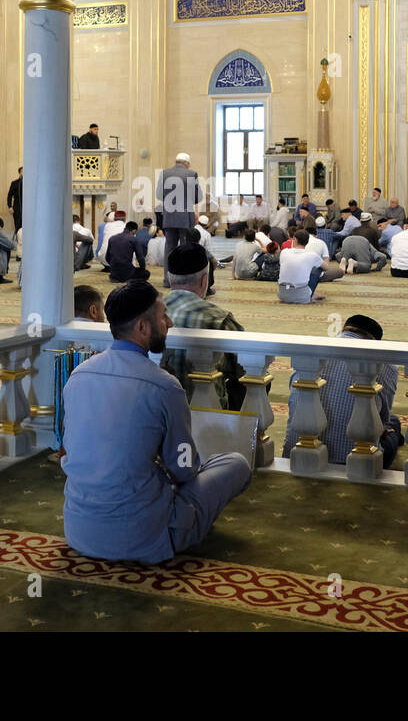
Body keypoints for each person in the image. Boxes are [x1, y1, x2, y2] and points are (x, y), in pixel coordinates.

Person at [60, 280, 252, 564]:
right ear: (142, 327)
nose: (170, 321)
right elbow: (184, 469)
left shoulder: (79, 375)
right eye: (163, 315)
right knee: (236, 463)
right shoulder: (164, 386)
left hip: (79, 531)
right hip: (146, 538)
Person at [281, 315, 403, 467]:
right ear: (374, 342)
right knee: (393, 423)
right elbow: (382, 420)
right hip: (357, 460)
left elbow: (293, 402)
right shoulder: (386, 364)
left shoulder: (309, 354)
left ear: (344, 330)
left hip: (297, 452)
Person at [160, 244, 246, 410]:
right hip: (206, 415)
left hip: (159, 411)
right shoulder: (218, 319)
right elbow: (247, 368)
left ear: (170, 277)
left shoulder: (150, 314)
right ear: (204, 280)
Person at [155, 152, 202, 282]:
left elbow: (159, 195)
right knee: (186, 247)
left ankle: (168, 280)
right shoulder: (191, 174)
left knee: (169, 247)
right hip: (185, 218)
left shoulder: (164, 173)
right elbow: (198, 197)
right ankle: (184, 279)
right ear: (186, 163)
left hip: (169, 217)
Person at [278, 230, 324, 304]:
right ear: (307, 242)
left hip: (282, 295)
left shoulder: (284, 252)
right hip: (302, 297)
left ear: (295, 239)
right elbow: (326, 267)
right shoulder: (312, 255)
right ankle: (310, 294)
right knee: (317, 269)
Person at [7, 167, 23, 232]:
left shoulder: (30, 183)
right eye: (22, 171)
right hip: (17, 207)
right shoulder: (15, 183)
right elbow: (9, 195)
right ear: (19, 173)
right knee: (18, 226)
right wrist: (10, 206)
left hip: (28, 208)